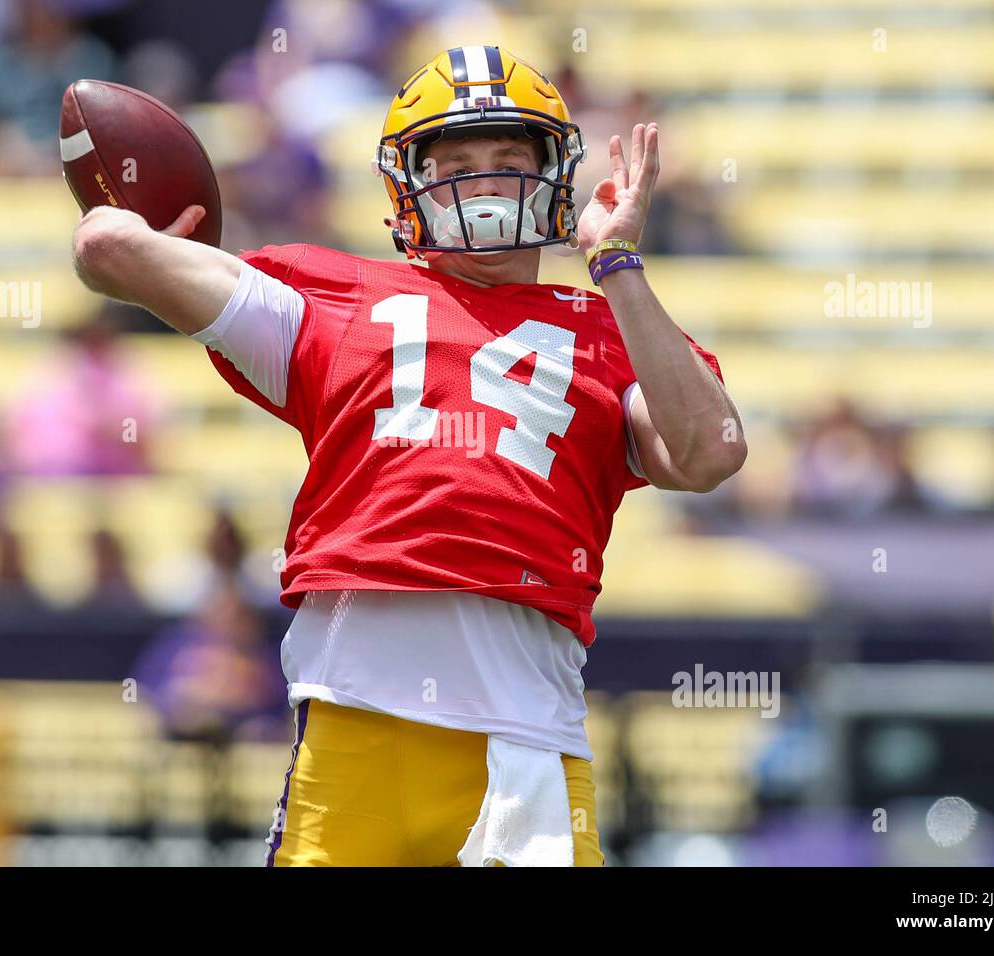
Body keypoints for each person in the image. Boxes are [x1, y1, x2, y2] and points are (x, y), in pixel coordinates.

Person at [71, 46, 746, 866]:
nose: (485, 183)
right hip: (353, 726)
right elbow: (107, 245)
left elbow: (710, 451)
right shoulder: (331, 298)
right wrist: (190, 239)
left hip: (523, 741)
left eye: (508, 161)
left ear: (554, 178)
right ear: (407, 184)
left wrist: (617, 266)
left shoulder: (608, 329)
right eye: (456, 163)